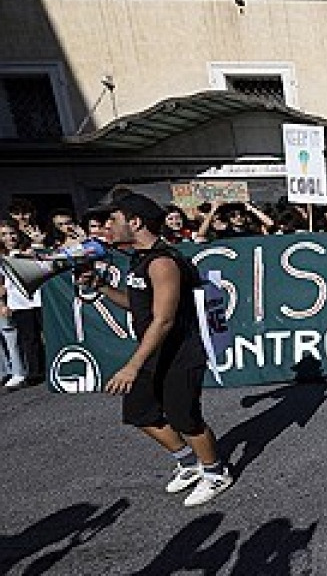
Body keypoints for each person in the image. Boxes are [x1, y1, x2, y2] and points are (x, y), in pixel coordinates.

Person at [79, 193, 233, 506]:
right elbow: (139, 308)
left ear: (135, 222)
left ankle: (216, 473)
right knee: (139, 413)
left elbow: (163, 321)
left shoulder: (163, 262)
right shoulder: (138, 260)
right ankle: (189, 463)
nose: (105, 226)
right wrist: (103, 288)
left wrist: (132, 366)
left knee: (185, 418)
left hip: (179, 352)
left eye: (113, 220)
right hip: (154, 351)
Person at [0, 221, 44, 390]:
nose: (9, 237)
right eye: (3, 234)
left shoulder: (28, 250)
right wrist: (3, 304)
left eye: (11, 233)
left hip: (38, 298)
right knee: (29, 339)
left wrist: (37, 244)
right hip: (18, 303)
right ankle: (35, 372)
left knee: (47, 332)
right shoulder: (2, 257)